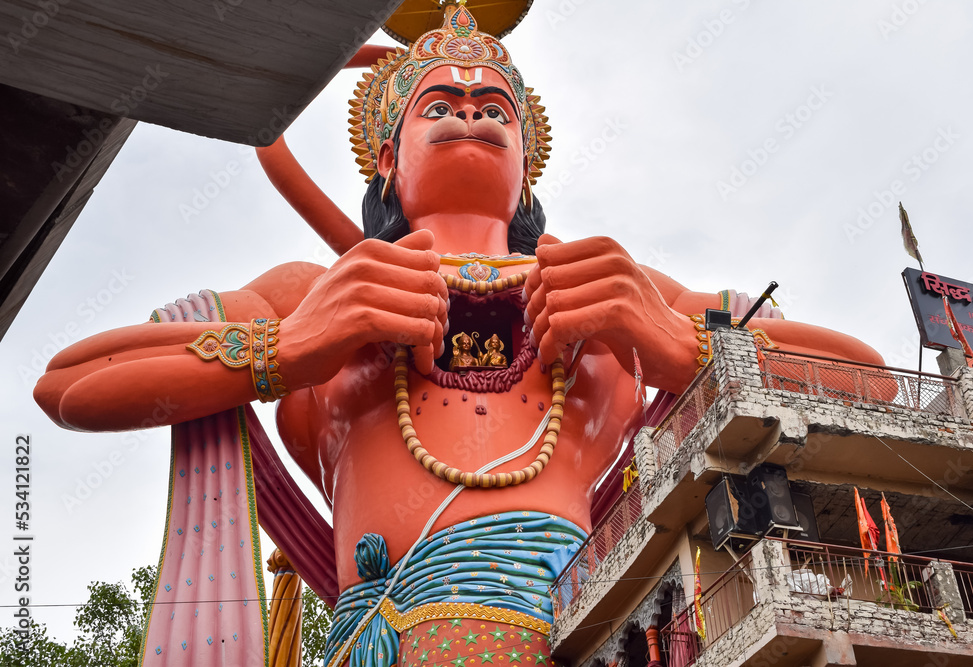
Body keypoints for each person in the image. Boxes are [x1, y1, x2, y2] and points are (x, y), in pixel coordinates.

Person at [33, 4, 884, 666]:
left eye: (494, 108)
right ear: (385, 157)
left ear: (527, 159)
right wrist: (288, 352)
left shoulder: (607, 294)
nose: (471, 114)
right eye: (439, 102)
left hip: (583, 639)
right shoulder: (317, 296)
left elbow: (870, 376)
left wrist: (680, 346)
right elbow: (69, 382)